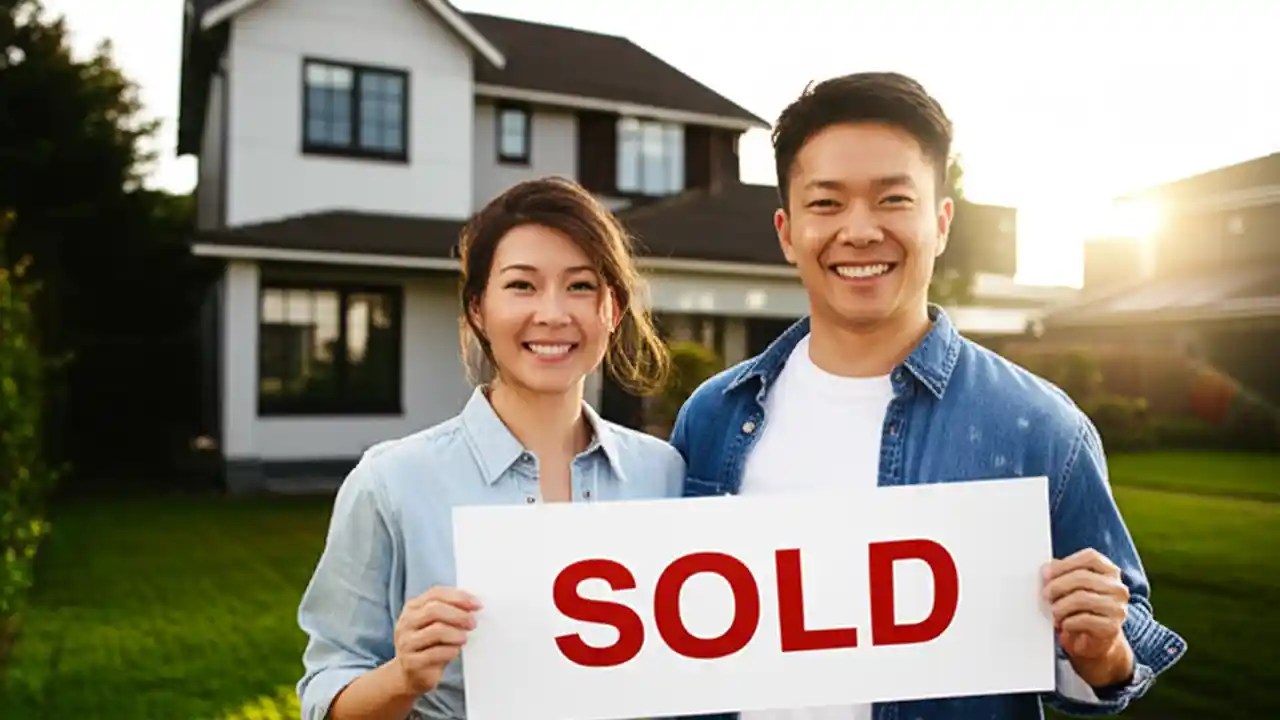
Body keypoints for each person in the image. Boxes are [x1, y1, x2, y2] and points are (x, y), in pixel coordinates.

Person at [668, 72, 1186, 719]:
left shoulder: (1038, 426)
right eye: (826, 203)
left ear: (941, 222)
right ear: (786, 229)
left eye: (892, 200)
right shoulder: (714, 416)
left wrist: (1103, 650)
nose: (859, 231)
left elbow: (1117, 645)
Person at [295, 176, 685, 720]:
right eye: (522, 285)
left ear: (612, 311)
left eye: (580, 286)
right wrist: (403, 676)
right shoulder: (392, 483)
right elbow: (325, 698)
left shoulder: (666, 476)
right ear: (477, 309)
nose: (552, 313)